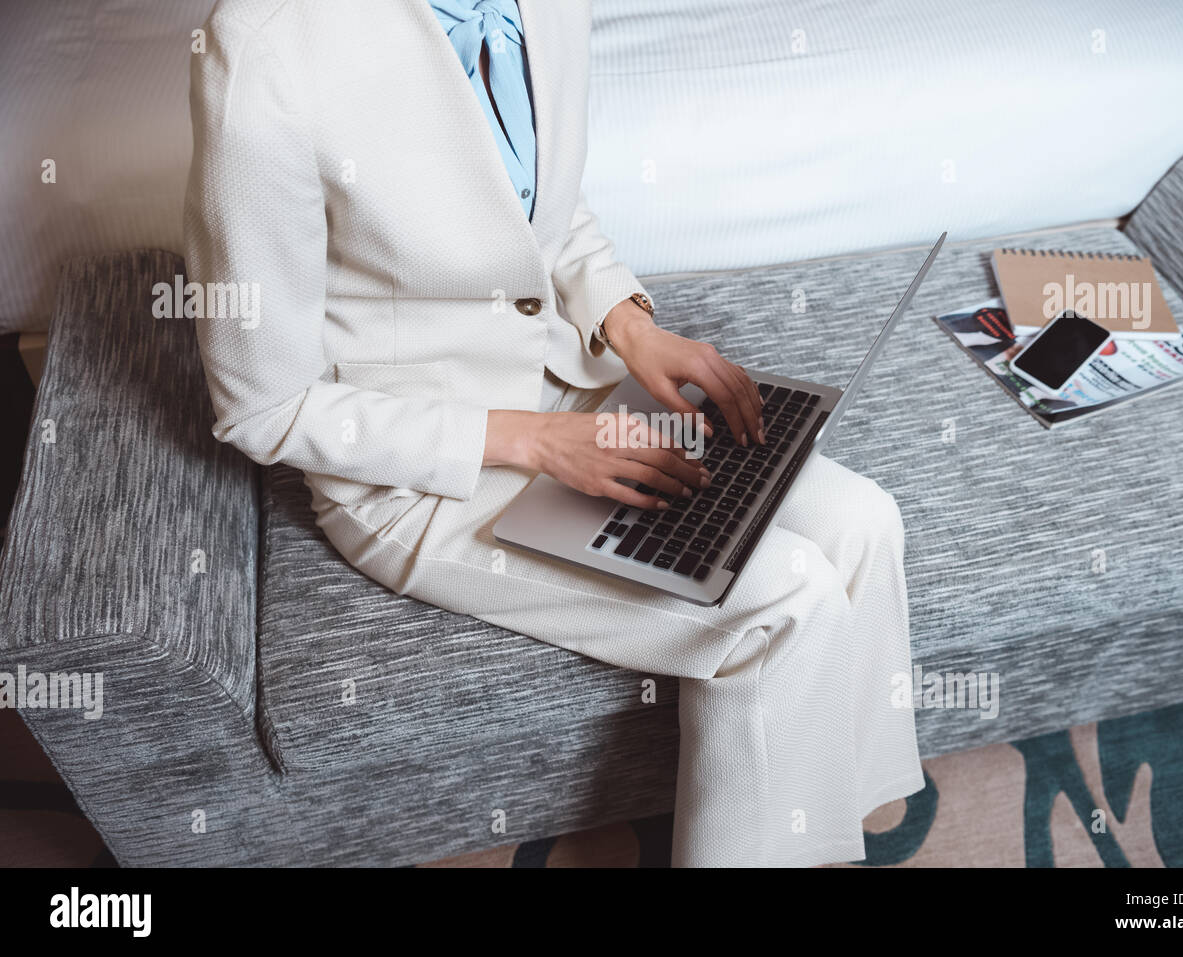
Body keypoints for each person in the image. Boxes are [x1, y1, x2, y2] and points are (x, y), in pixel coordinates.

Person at [185, 0, 922, 867]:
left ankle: (823, 827)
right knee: (782, 598)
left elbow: (540, 206)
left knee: (866, 521)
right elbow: (262, 406)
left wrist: (629, 325)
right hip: (431, 470)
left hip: (574, 382)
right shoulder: (264, 47)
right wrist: (536, 442)